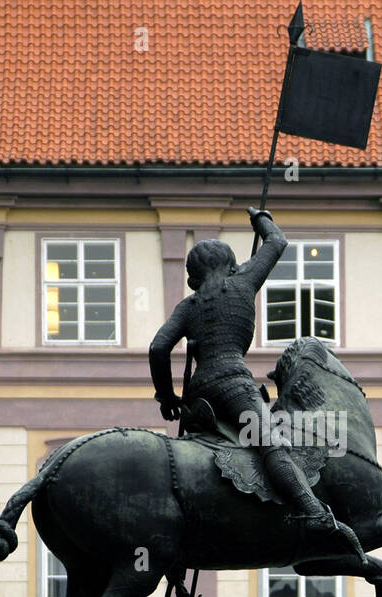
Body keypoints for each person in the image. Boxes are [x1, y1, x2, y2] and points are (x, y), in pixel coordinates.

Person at [149, 206, 366, 564]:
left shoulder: (188, 307)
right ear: (231, 264)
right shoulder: (244, 281)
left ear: (194, 276)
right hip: (233, 384)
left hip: (199, 395)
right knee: (270, 443)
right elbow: (277, 241)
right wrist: (259, 217)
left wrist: (167, 397)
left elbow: (158, 347)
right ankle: (310, 510)